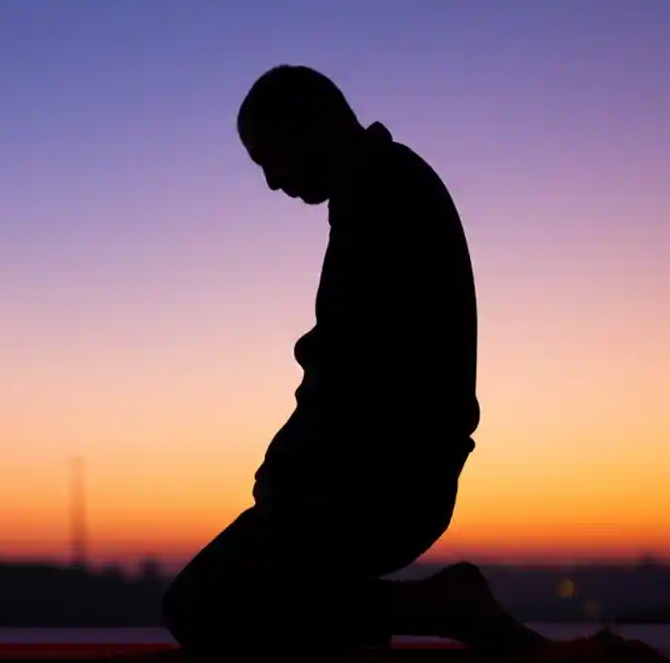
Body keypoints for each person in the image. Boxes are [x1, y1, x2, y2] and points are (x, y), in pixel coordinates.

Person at [160, 65, 548, 660]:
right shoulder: (386, 186)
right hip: (395, 474)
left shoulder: (382, 196)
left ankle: (443, 606)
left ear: (308, 125)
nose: (271, 183)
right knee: (243, 602)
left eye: (268, 158)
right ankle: (431, 608)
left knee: (201, 605)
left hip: (375, 483)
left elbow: (352, 368)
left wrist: (288, 468)